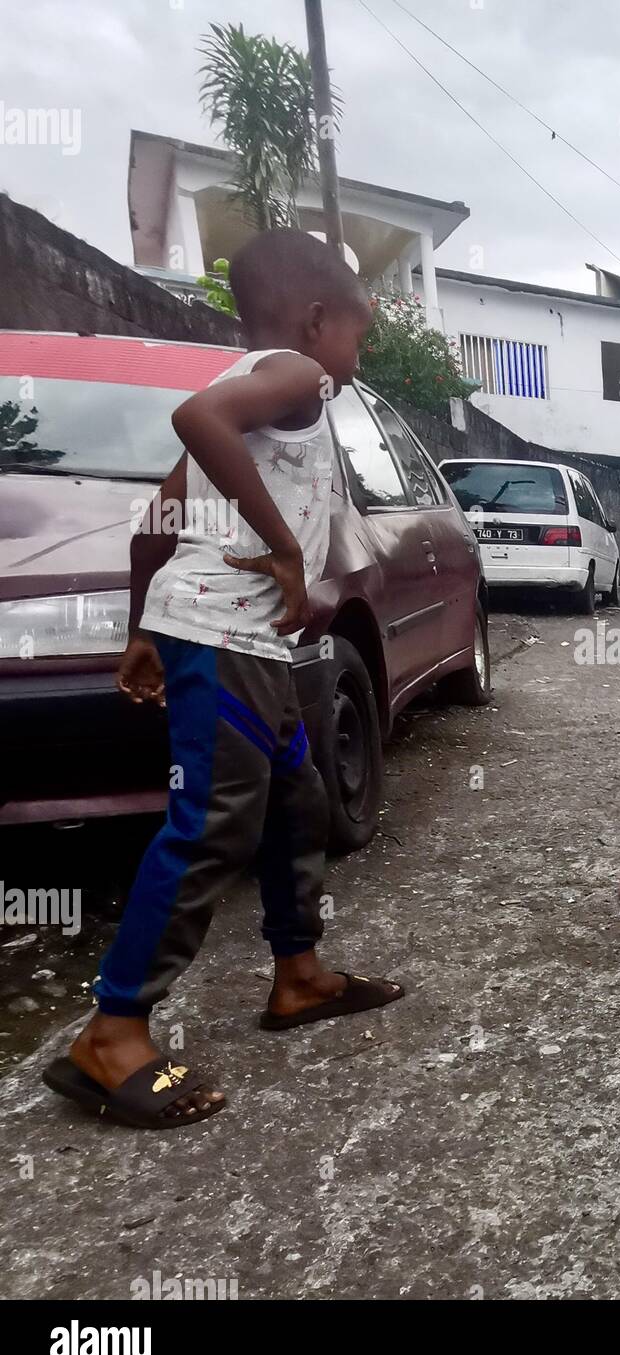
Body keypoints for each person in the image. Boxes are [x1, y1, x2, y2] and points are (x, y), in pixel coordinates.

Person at [43, 229, 402, 1130]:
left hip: (237, 642)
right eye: (356, 340)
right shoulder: (297, 377)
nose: (354, 362)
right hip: (224, 637)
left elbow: (159, 511)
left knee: (297, 799)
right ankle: (113, 1029)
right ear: (319, 324)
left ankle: (299, 973)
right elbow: (194, 422)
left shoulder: (266, 386)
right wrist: (286, 550)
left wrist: (139, 631)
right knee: (211, 823)